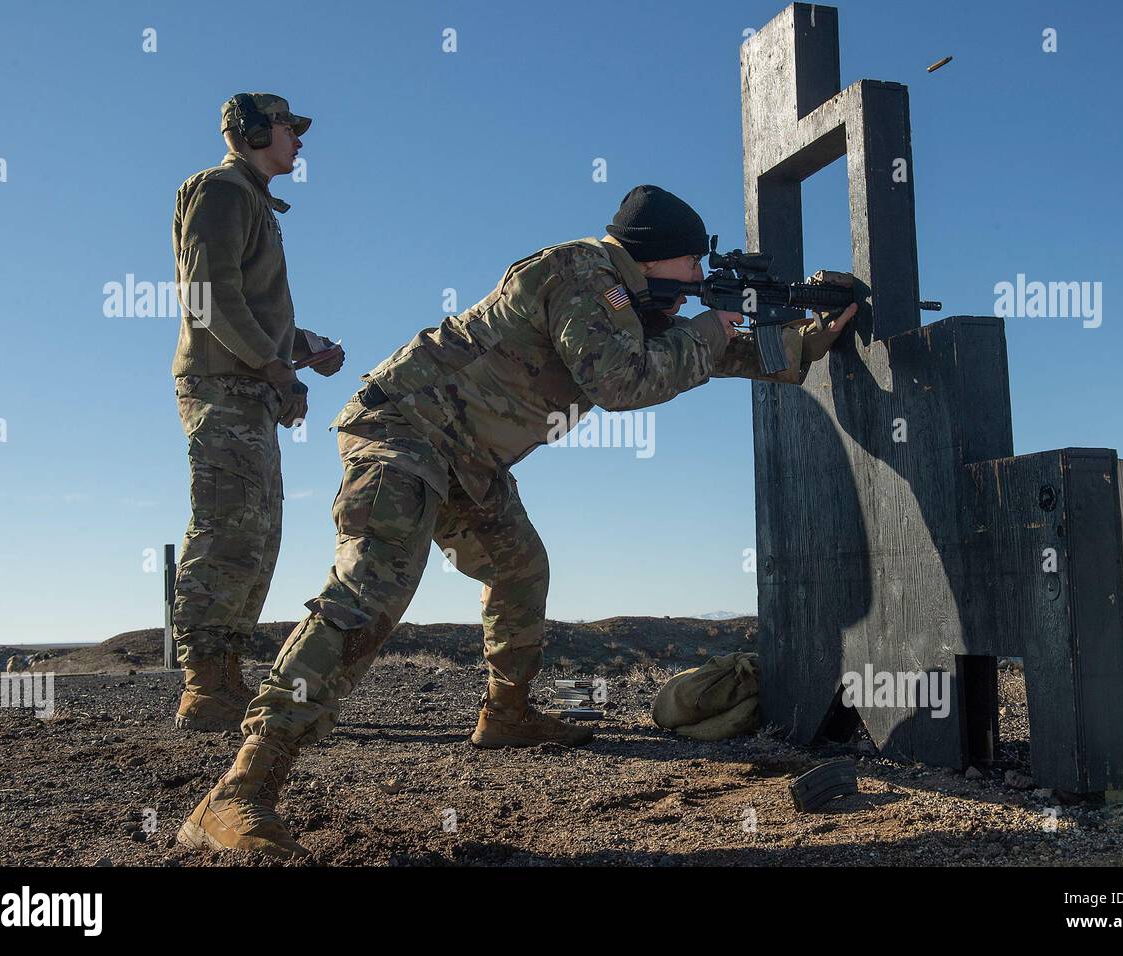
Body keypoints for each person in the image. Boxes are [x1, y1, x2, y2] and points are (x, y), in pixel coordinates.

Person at [177, 184, 856, 856]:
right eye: (691, 265)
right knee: (370, 592)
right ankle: (240, 789)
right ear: (654, 258)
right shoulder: (582, 276)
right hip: (404, 431)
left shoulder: (625, 297)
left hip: (467, 456)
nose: (699, 278)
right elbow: (623, 382)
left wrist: (804, 341)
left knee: (519, 566)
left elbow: (687, 356)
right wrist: (712, 327)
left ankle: (507, 713)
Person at [170, 93, 346, 732]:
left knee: (257, 531)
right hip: (224, 384)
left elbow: (251, 303)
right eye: (288, 127)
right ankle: (203, 684)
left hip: (248, 387)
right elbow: (206, 296)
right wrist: (272, 366)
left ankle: (226, 676)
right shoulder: (222, 190)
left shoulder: (253, 200)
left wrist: (302, 349)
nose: (299, 139)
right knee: (226, 526)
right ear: (250, 132)